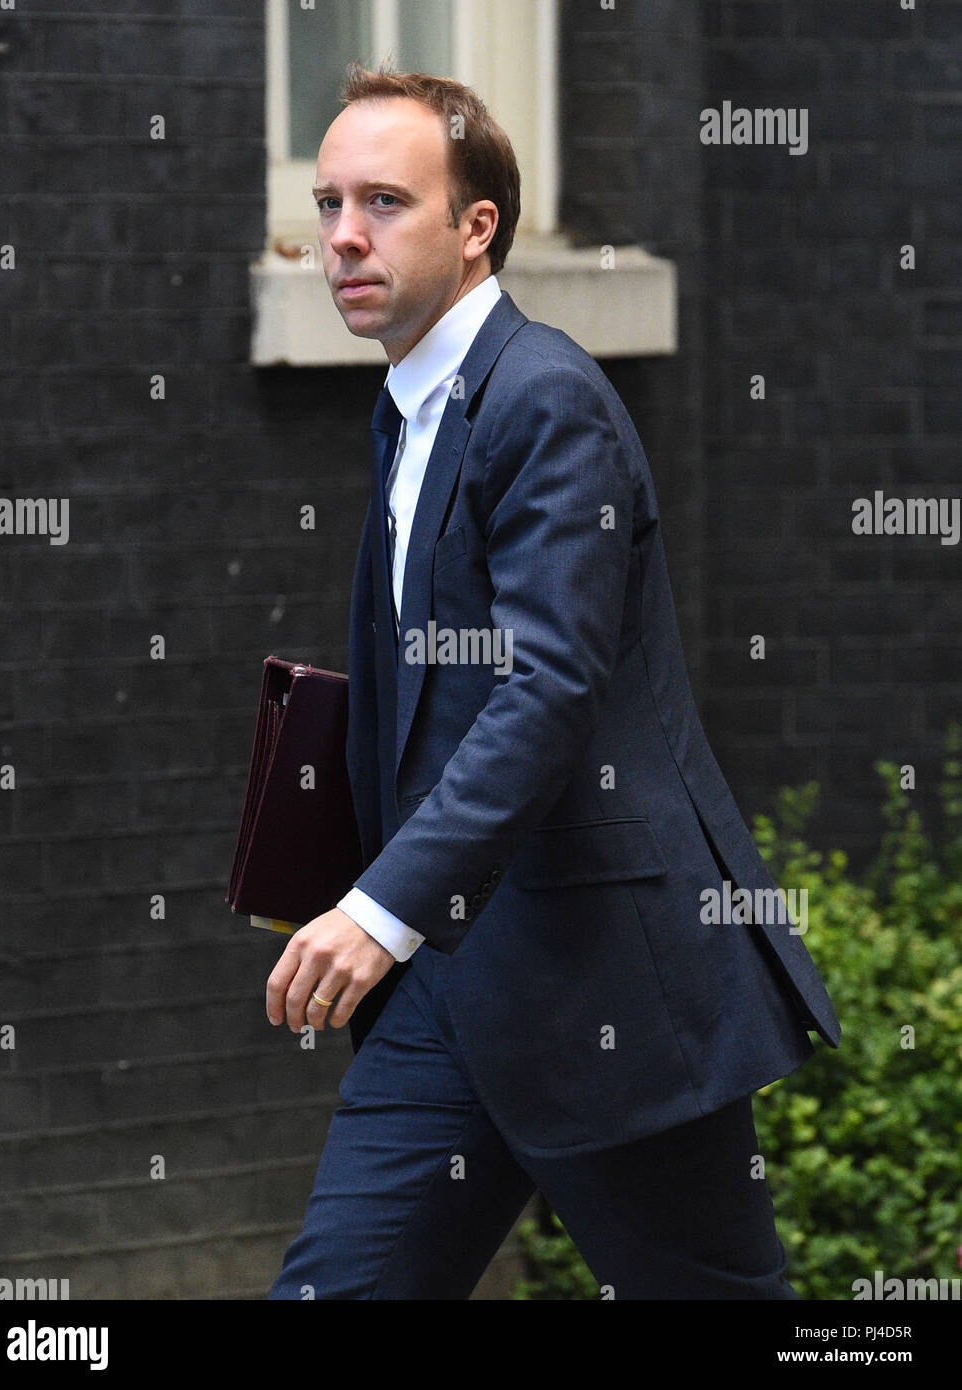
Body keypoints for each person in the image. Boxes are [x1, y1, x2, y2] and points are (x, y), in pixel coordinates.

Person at [265, 61, 840, 1300]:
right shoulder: (412, 406)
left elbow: (546, 688)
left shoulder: (546, 401)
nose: (343, 237)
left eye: (383, 203)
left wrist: (380, 906)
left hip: (604, 978)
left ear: (478, 229)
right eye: (325, 205)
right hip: (450, 992)